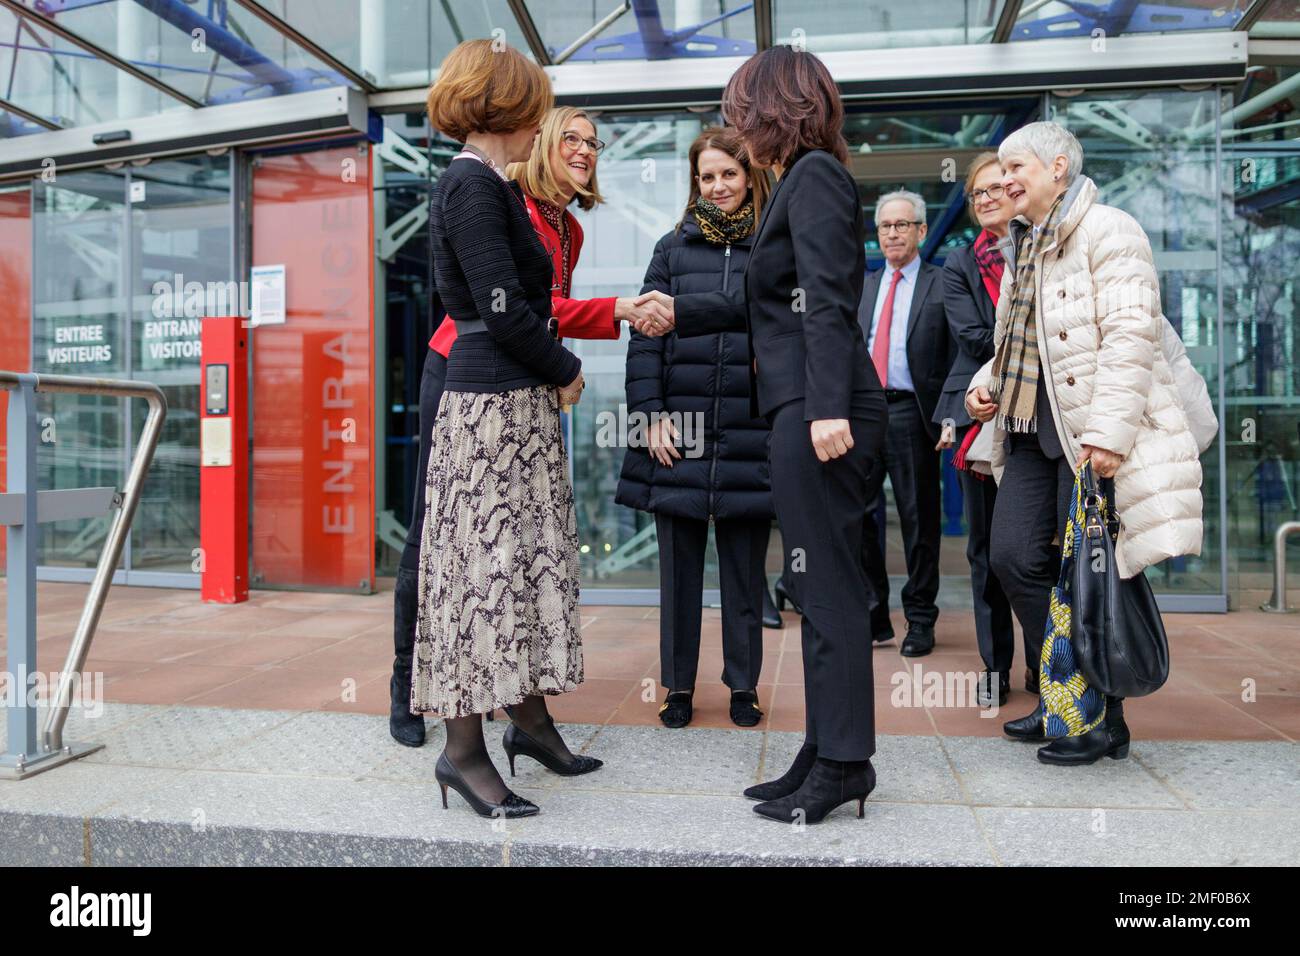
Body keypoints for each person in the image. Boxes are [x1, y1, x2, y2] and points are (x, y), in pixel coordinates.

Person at [413, 40, 665, 817]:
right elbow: (499, 307)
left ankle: (529, 721)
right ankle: (462, 754)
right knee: (481, 578)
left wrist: (550, 368)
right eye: (534, 111)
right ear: (507, 109)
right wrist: (564, 368)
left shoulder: (482, 183)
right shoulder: (472, 185)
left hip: (507, 405)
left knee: (516, 567)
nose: (544, 128)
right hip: (492, 407)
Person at [639, 47, 887, 823]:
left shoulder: (811, 177)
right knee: (815, 588)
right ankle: (826, 748)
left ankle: (845, 762)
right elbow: (766, 303)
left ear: (776, 105)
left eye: (745, 106)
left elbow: (826, 299)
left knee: (832, 591)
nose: (739, 124)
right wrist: (681, 310)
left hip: (820, 411)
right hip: (803, 407)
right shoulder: (797, 181)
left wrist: (824, 409)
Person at [965, 121, 1215, 765]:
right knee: (1014, 558)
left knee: (1094, 569)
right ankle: (1064, 691)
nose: (1004, 179)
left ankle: (1100, 717)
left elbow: (1131, 336)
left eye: (1015, 166)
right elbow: (1025, 340)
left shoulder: (1110, 229)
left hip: (1087, 435)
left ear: (1057, 167)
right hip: (1028, 430)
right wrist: (982, 383)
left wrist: (1107, 436)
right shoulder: (1022, 242)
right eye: (999, 169)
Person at [615, 126, 775, 730]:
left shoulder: (771, 249)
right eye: (706, 177)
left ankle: (743, 687)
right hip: (677, 433)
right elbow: (644, 344)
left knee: (743, 571)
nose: (718, 186)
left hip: (750, 430)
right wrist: (649, 417)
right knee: (677, 574)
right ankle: (677, 686)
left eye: (728, 174)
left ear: (749, 175)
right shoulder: (671, 249)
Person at [857, 189, 952, 657]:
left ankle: (919, 619)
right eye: (885, 226)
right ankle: (875, 617)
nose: (892, 233)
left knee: (919, 522)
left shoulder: (941, 283)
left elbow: (957, 353)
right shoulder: (866, 285)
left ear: (921, 230)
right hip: (864, 413)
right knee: (859, 518)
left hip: (913, 415)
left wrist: (950, 415)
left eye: (902, 224)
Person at [938, 153, 1018, 706]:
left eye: (995, 188)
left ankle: (1049, 662)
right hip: (983, 416)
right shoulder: (960, 264)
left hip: (1045, 420)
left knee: (1037, 551)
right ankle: (995, 667)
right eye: (977, 193)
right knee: (986, 550)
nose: (987, 198)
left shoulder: (1045, 251)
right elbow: (973, 339)